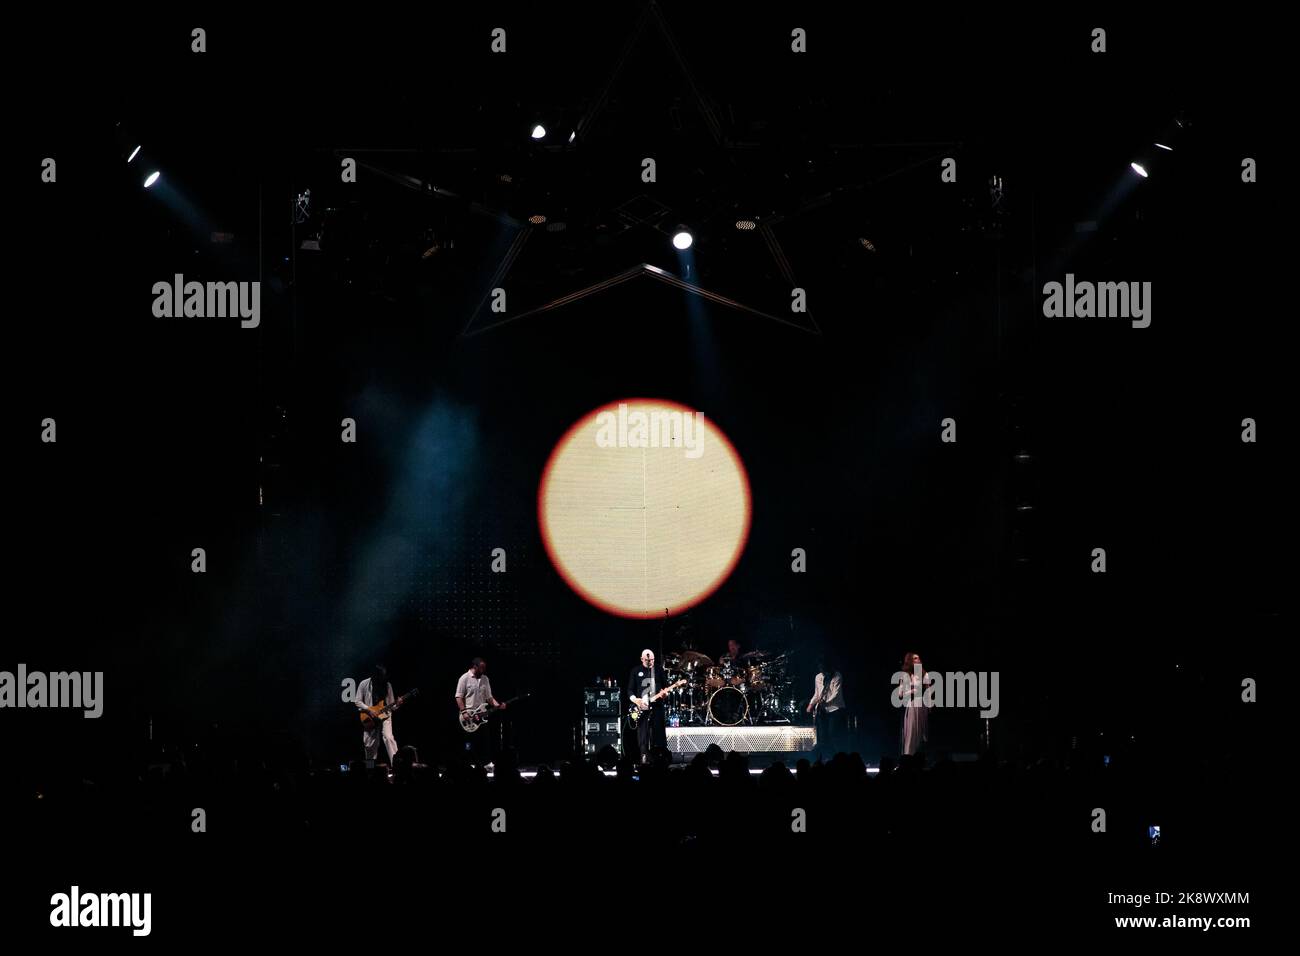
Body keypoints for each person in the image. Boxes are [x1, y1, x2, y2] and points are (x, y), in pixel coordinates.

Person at [455, 657, 506, 768]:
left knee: (485, 740)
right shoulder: (464, 678)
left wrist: (498, 705)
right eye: (481, 668)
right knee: (468, 742)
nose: (483, 670)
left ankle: (486, 763)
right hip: (469, 716)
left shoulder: (485, 679)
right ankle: (467, 763)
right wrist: (464, 712)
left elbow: (489, 697)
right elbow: (458, 697)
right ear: (475, 666)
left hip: (482, 714)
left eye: (484, 668)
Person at [626, 649, 669, 765]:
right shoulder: (635, 671)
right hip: (642, 707)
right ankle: (643, 757)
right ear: (642, 659)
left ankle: (659, 759)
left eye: (652, 660)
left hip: (657, 707)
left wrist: (665, 694)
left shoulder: (659, 669)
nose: (650, 662)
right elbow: (630, 690)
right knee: (643, 734)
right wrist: (636, 700)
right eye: (648, 660)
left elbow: (666, 687)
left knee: (658, 733)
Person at [356, 664, 399, 765]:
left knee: (388, 738)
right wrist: (369, 710)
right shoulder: (364, 684)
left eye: (383, 676)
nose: (381, 678)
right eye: (379, 676)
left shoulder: (387, 685)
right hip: (370, 716)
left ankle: (397, 765)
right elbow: (358, 701)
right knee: (369, 744)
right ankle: (370, 768)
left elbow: (392, 705)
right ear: (374, 675)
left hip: (385, 715)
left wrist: (397, 704)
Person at [807, 657, 846, 760]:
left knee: (832, 733)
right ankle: (825, 757)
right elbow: (817, 693)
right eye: (820, 668)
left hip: (835, 708)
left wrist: (826, 702)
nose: (822, 670)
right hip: (822, 710)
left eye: (823, 668)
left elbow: (836, 693)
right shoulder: (818, 677)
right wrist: (811, 704)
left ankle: (838, 758)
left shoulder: (837, 675)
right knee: (822, 735)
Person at [899, 651, 929, 756]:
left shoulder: (924, 674)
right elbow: (900, 694)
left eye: (919, 658)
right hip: (912, 706)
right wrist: (911, 691)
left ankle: (921, 757)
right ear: (910, 661)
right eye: (915, 658)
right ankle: (909, 757)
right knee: (911, 732)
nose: (918, 660)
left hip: (922, 706)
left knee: (922, 734)